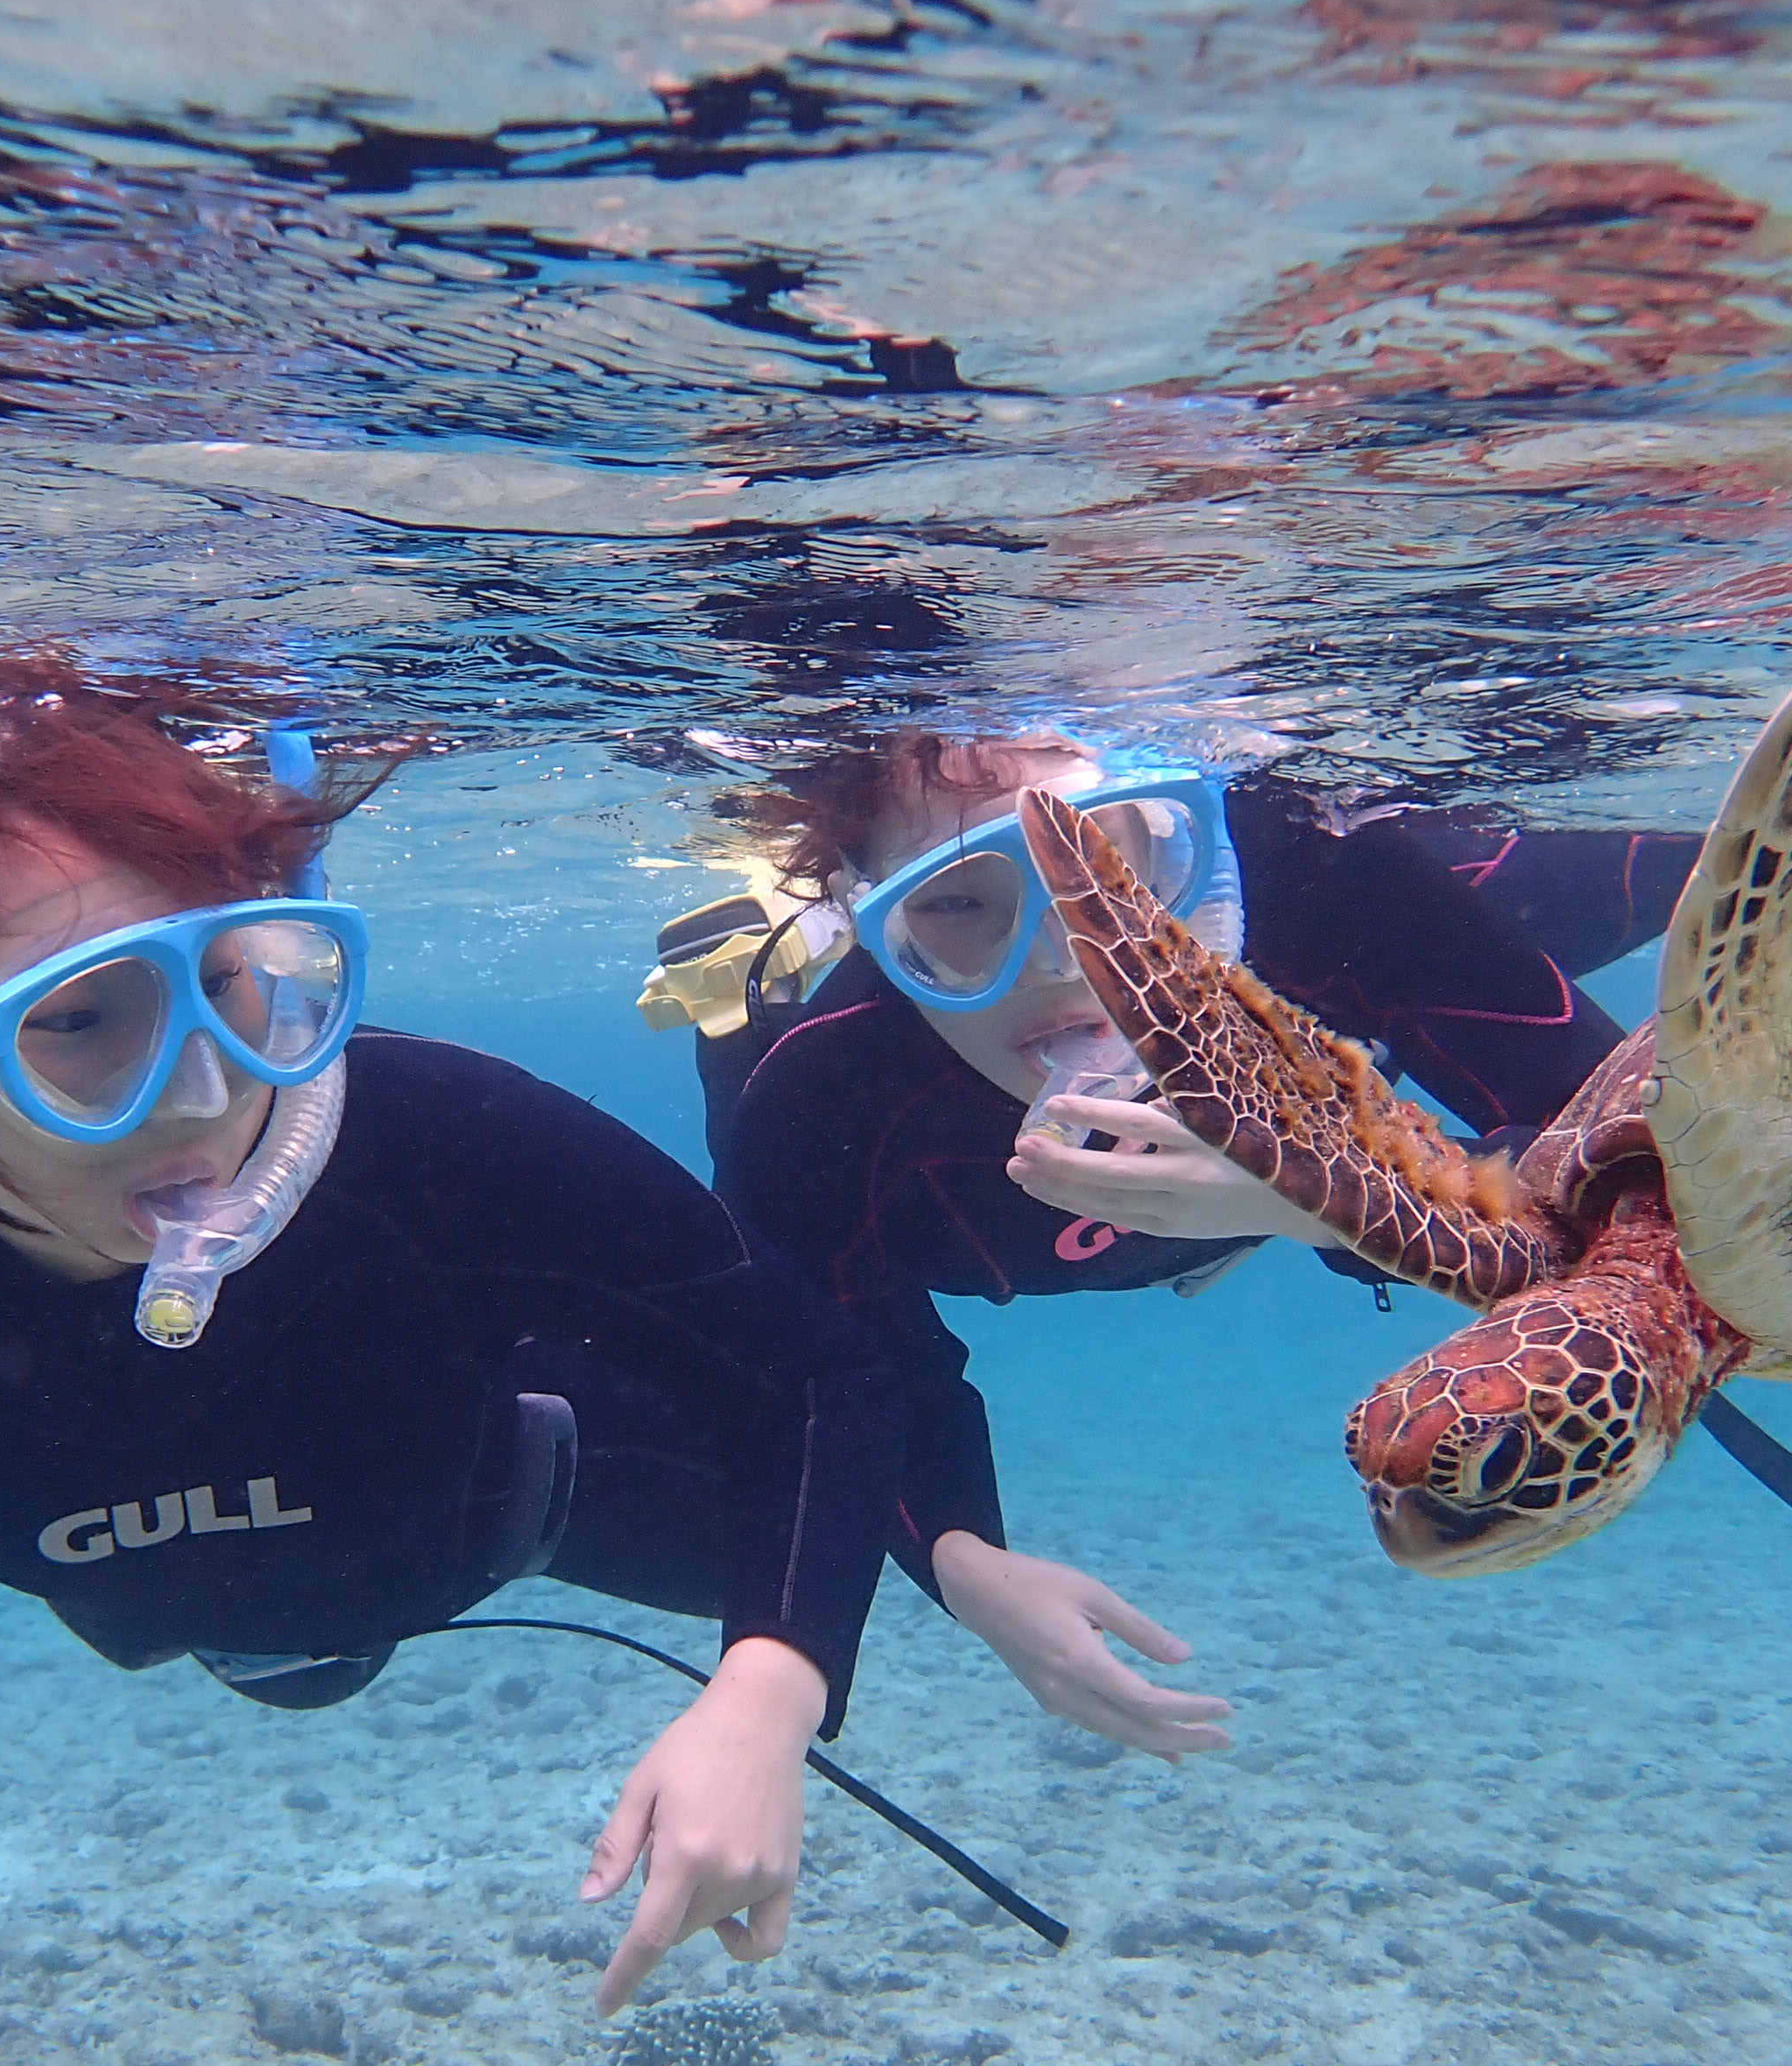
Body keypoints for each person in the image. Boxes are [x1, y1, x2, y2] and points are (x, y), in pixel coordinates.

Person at [0, 668, 900, 2022]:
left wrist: (770, 1694)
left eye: (224, 984)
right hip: (261, 1583)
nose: (206, 1095)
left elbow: (813, 1369)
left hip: (521, 1496)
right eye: (83, 1020)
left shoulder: (430, 1144)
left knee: (844, 1560)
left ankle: (760, 977)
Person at [682, 728, 1698, 1759]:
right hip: (878, 1124)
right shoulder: (822, 1101)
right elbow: (840, 1373)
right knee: (745, 1237)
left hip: (1330, 973)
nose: (1075, 956)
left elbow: (1625, 1165)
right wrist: (959, 1558)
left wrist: (1320, 1198)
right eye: (953, 903)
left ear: (1201, 846)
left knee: (1690, 867)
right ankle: (756, 949)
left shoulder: (1330, 888)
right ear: (879, 929)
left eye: (1117, 861)